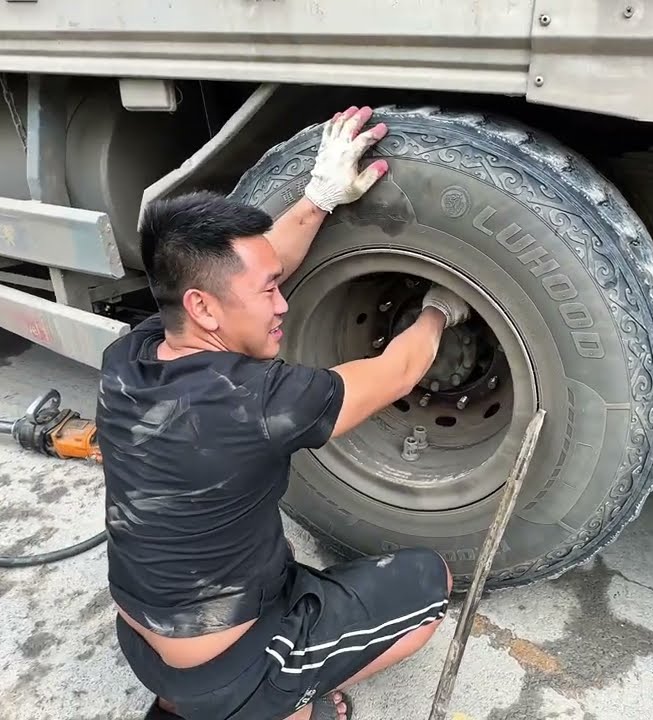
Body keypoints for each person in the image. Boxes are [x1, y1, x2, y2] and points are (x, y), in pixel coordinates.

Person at [95, 105, 470, 720]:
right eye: (268, 291)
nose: (283, 304)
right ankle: (281, 706)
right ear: (205, 309)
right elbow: (399, 371)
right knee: (428, 589)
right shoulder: (256, 402)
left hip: (142, 644)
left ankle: (188, 702)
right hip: (228, 666)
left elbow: (251, 273)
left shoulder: (128, 355)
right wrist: (440, 308)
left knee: (289, 577)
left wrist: (319, 197)